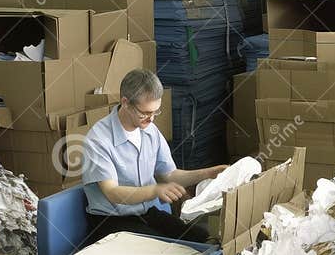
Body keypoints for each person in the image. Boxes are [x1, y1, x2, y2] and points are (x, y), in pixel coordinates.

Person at [81, 68, 227, 244]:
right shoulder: (98, 140)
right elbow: (113, 193)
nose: (151, 119)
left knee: (200, 238)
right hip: (109, 221)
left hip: (145, 213)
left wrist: (208, 173)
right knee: (165, 250)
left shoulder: (150, 131)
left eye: (156, 112)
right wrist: (155, 190)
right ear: (125, 103)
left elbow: (169, 175)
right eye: (145, 113)